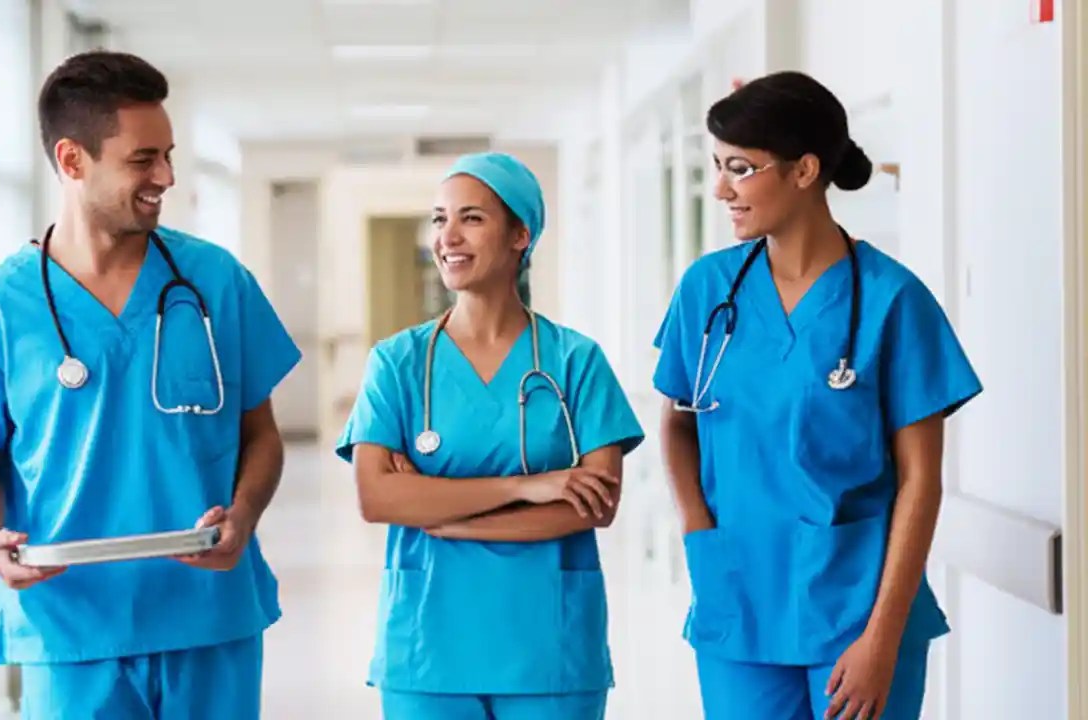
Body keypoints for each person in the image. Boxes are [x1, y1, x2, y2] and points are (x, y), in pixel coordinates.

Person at [0, 50, 300, 719]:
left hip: (207, 615)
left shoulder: (217, 282)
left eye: (168, 154)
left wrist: (242, 515)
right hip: (70, 624)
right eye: (142, 160)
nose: (166, 176)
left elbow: (261, 436)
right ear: (73, 161)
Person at [652, 70, 983, 720]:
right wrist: (698, 529)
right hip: (738, 595)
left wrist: (882, 638)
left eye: (740, 169)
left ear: (804, 170)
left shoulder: (892, 300)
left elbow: (921, 481)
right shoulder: (707, 290)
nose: (720, 189)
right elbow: (677, 423)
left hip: (857, 607)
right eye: (717, 167)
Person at [335, 152, 645, 720]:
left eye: (471, 218)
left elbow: (593, 506)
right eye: (438, 218)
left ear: (520, 235)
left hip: (548, 649)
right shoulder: (398, 363)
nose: (447, 236)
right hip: (429, 649)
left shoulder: (575, 361)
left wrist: (439, 514)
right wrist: (531, 486)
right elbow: (377, 497)